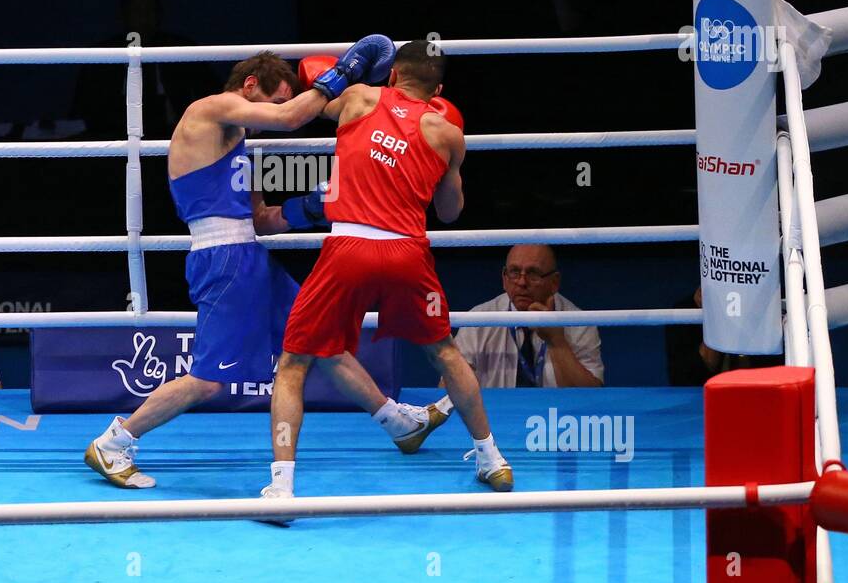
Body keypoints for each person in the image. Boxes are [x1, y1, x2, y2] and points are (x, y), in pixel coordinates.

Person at [84, 39, 449, 488]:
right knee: (208, 381)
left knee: (320, 342)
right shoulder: (210, 109)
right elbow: (291, 117)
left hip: (249, 256)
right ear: (250, 85)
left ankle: (399, 423)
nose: (276, 115)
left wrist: (310, 208)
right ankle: (113, 443)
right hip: (224, 261)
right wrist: (344, 73)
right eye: (274, 101)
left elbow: (261, 220)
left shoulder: (239, 144)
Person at [266, 39, 513, 501]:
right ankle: (492, 458)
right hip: (407, 254)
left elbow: (311, 101)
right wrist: (445, 163)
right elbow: (450, 212)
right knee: (445, 352)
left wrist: (339, 72)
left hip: (349, 248)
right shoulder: (448, 134)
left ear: (394, 74)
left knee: (294, 362)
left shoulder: (359, 98)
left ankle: (282, 486)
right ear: (438, 89)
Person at [444, 244, 604, 389]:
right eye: (514, 272)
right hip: (496, 411)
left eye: (533, 274)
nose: (522, 282)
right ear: (504, 279)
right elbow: (448, 388)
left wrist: (557, 342)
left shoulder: (580, 323)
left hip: (558, 412)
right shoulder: (478, 321)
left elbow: (591, 399)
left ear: (554, 282)